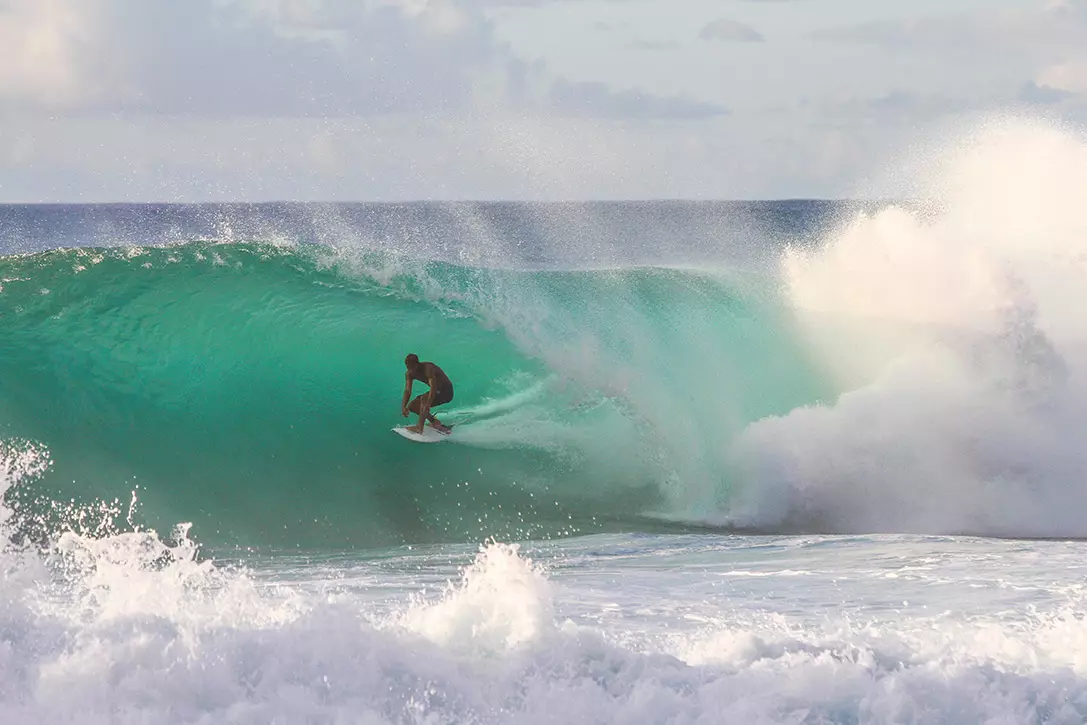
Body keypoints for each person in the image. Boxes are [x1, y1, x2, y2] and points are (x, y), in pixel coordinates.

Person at [401, 353, 454, 434]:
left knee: (424, 399)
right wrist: (404, 406)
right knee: (412, 406)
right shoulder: (409, 373)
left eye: (411, 367)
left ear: (417, 364)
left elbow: (433, 388)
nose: (410, 369)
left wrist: (428, 404)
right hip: (437, 391)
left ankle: (419, 428)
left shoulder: (428, 368)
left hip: (447, 391)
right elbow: (407, 390)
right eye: (408, 367)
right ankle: (435, 422)